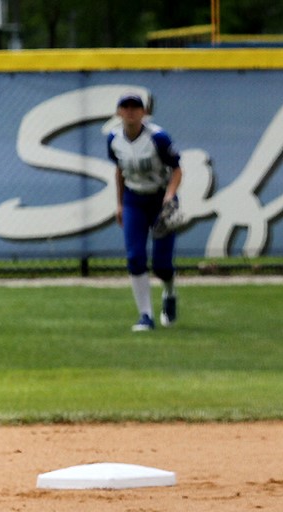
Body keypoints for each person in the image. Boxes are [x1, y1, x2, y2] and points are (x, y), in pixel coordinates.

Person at [107, 92, 182, 332]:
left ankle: (169, 293)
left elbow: (177, 169)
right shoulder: (114, 138)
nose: (130, 111)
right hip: (134, 200)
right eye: (126, 107)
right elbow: (119, 171)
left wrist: (170, 195)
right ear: (119, 112)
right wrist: (120, 203)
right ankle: (145, 315)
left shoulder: (158, 138)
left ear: (144, 112)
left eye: (135, 107)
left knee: (161, 265)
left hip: (160, 199)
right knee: (135, 257)